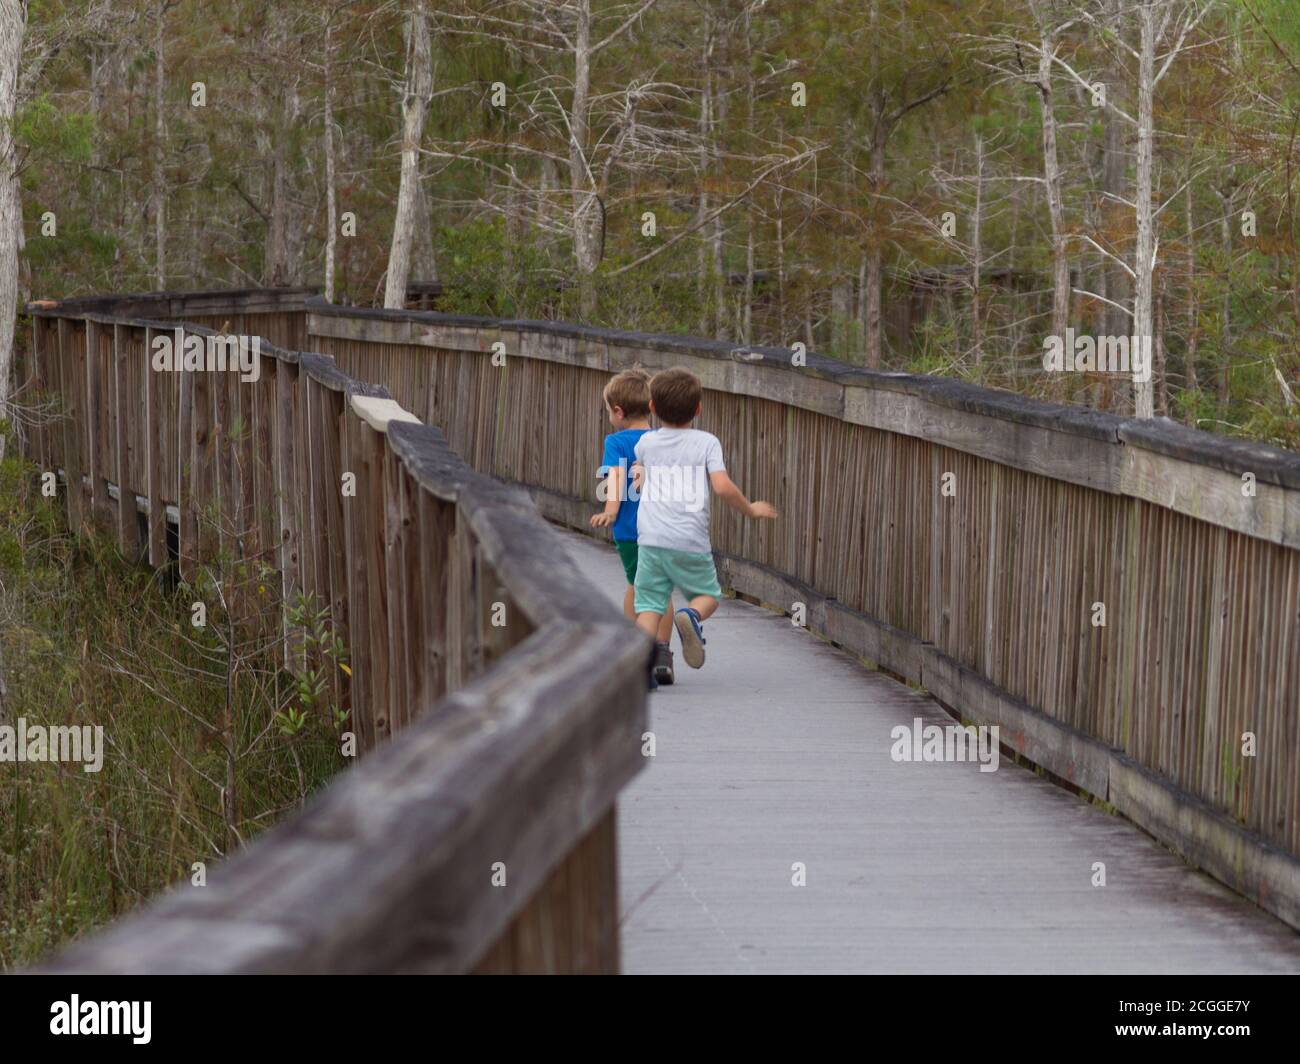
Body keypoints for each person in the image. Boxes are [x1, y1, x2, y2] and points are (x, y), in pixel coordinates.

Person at [631, 367, 777, 678]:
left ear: (652, 408)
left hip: (651, 537)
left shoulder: (646, 443)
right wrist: (750, 509)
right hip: (690, 539)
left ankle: (638, 672)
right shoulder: (707, 442)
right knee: (709, 594)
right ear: (698, 409)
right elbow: (722, 487)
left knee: (649, 605)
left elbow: (639, 474)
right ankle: (691, 615)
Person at [590, 368, 676, 683]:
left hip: (629, 530)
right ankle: (662, 653)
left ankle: (635, 647)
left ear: (618, 411)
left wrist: (611, 510)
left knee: (635, 585)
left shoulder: (616, 442)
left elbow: (614, 476)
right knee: (661, 588)